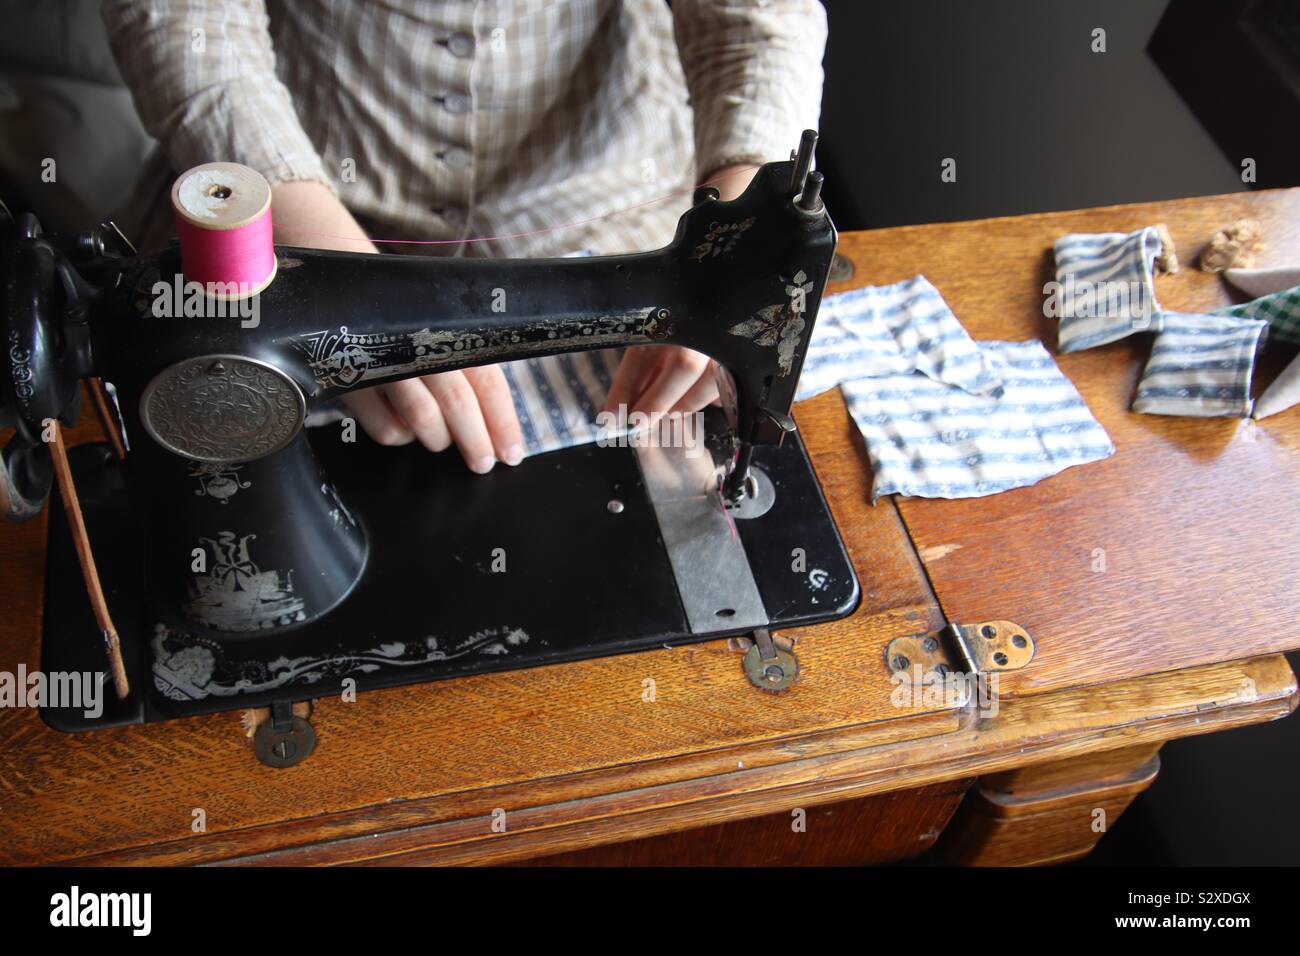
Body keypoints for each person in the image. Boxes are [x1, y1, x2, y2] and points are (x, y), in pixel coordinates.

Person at [103, 0, 826, 473]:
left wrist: (736, 223)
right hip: (305, 209)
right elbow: (184, 19)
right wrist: (329, 266)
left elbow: (758, 17)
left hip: (612, 212)